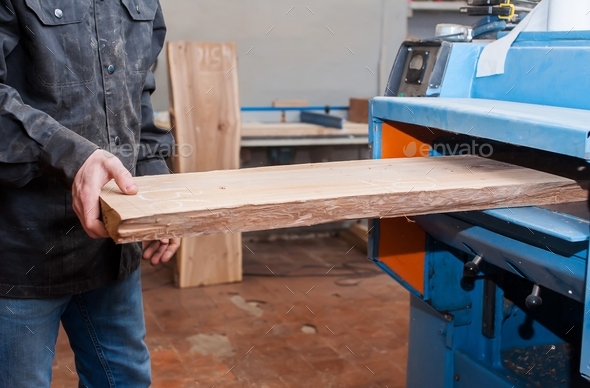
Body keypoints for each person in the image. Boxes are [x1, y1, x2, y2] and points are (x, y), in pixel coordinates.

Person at [0, 0, 180, 386]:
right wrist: (71, 155)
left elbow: (139, 105)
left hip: (110, 251)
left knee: (126, 380)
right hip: (21, 255)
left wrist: (159, 197)